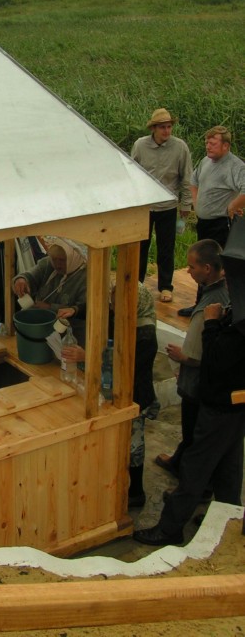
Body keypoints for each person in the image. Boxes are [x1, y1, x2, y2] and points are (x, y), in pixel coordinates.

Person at [134, 220, 245, 547]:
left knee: (195, 466)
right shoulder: (236, 306)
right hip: (235, 402)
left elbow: (217, 358)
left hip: (221, 401)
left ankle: (168, 529)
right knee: (228, 464)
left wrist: (212, 324)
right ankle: (225, 519)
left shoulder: (238, 323)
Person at [61, 282, 158, 507]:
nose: (112, 304)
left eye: (116, 299)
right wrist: (75, 310)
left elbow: (125, 363)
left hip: (134, 395)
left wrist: (88, 356)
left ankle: (135, 492)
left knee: (132, 446)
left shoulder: (144, 333)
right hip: (113, 388)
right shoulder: (122, 312)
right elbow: (98, 307)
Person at [155, 240, 229, 477]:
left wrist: (182, 357)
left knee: (194, 431)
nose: (187, 271)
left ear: (207, 268)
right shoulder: (224, 291)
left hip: (200, 383)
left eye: (192, 267)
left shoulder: (214, 303)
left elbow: (204, 354)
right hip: (202, 378)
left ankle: (192, 480)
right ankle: (180, 461)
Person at [178, 126, 245, 317]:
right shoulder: (206, 161)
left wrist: (233, 205)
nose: (208, 146)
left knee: (218, 268)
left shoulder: (235, 166)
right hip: (204, 223)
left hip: (221, 224)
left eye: (212, 143)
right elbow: (194, 181)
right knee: (200, 265)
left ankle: (224, 309)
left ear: (225, 146)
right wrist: (197, 202)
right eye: (206, 142)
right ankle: (200, 304)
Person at [131, 108, 192, 303]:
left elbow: (186, 178)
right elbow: (132, 173)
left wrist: (186, 204)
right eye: (163, 127)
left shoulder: (180, 147)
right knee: (141, 246)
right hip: (145, 206)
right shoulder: (141, 145)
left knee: (166, 247)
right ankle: (136, 284)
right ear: (154, 129)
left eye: (169, 127)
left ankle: (166, 286)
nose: (167, 131)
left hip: (168, 205)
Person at [12, 238, 87, 343]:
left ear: (72, 258)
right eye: (54, 259)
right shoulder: (48, 264)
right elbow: (32, 274)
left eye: (62, 260)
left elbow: (83, 309)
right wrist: (22, 280)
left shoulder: (85, 277)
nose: (57, 264)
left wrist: (49, 307)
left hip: (71, 338)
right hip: (41, 331)